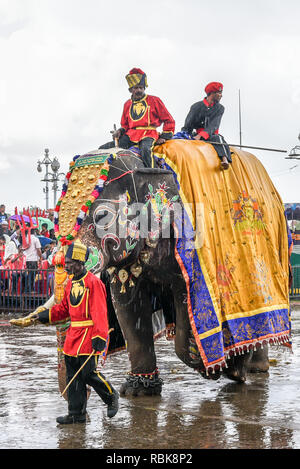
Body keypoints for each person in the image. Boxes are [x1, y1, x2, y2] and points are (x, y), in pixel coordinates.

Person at [33, 240, 119, 424]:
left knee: (88, 373)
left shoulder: (94, 283)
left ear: (80, 263)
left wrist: (99, 336)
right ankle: (76, 413)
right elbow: (64, 309)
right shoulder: (71, 283)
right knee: (73, 376)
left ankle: (111, 396)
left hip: (89, 335)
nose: (67, 265)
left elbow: (99, 311)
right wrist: (43, 316)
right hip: (73, 336)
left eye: (70, 262)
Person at [99, 68, 175, 168]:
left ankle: (152, 176)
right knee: (104, 148)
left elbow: (169, 120)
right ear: (131, 90)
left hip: (149, 134)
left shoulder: (155, 100)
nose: (139, 90)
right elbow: (125, 125)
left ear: (144, 88)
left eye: (141, 87)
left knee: (145, 150)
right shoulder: (127, 104)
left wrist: (164, 137)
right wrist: (120, 131)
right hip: (130, 135)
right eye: (136, 88)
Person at [182, 82, 232, 170]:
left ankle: (224, 159)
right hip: (195, 135)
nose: (221, 95)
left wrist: (201, 135)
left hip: (211, 135)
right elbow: (188, 123)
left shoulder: (220, 108)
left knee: (218, 139)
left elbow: (214, 125)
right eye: (219, 93)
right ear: (212, 94)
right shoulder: (196, 106)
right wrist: (184, 134)